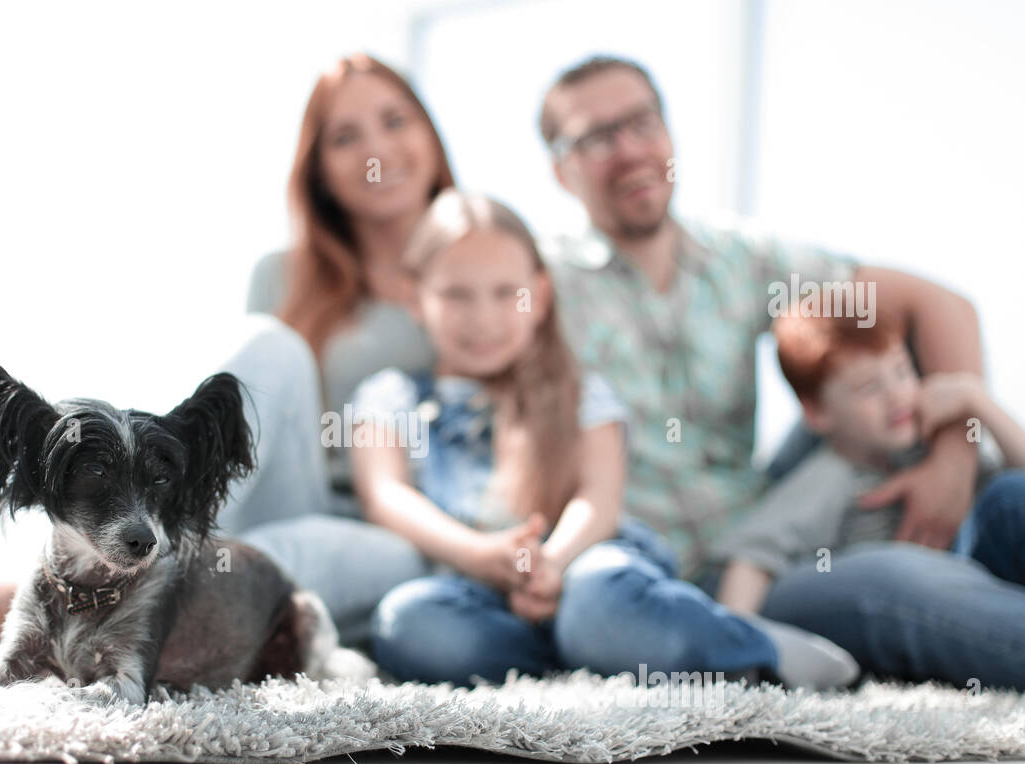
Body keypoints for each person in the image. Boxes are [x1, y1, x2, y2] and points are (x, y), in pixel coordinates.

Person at [0, 54, 454, 674]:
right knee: (268, 348)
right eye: (345, 136)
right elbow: (239, 443)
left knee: (257, 558)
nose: (377, 148)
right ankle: (129, 555)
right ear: (320, 169)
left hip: (403, 526)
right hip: (288, 493)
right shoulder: (285, 274)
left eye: (395, 120)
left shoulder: (499, 271)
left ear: (432, 133)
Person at [537, 53, 1025, 689]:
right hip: (711, 573)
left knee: (1005, 498)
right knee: (898, 584)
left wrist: (952, 461)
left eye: (642, 122)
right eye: (598, 138)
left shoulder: (741, 259)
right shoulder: (537, 289)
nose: (630, 151)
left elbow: (941, 307)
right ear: (561, 170)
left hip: (773, 516)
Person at [349, 189, 859, 689]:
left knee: (599, 600)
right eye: (456, 295)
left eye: (506, 293)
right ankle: (582, 662)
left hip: (584, 564)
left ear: (540, 295)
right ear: (414, 297)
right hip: (479, 588)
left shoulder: (582, 392)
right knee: (409, 621)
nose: (483, 317)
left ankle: (754, 647)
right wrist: (479, 555)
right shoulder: (390, 396)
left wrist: (550, 563)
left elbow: (598, 499)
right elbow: (387, 495)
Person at [715, 304, 1025, 612]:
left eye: (902, 371)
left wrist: (976, 399)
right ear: (818, 412)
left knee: (1007, 494)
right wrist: (737, 644)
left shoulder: (936, 441)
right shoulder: (830, 478)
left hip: (993, 564)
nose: (896, 396)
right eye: (870, 388)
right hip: (943, 597)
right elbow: (752, 556)